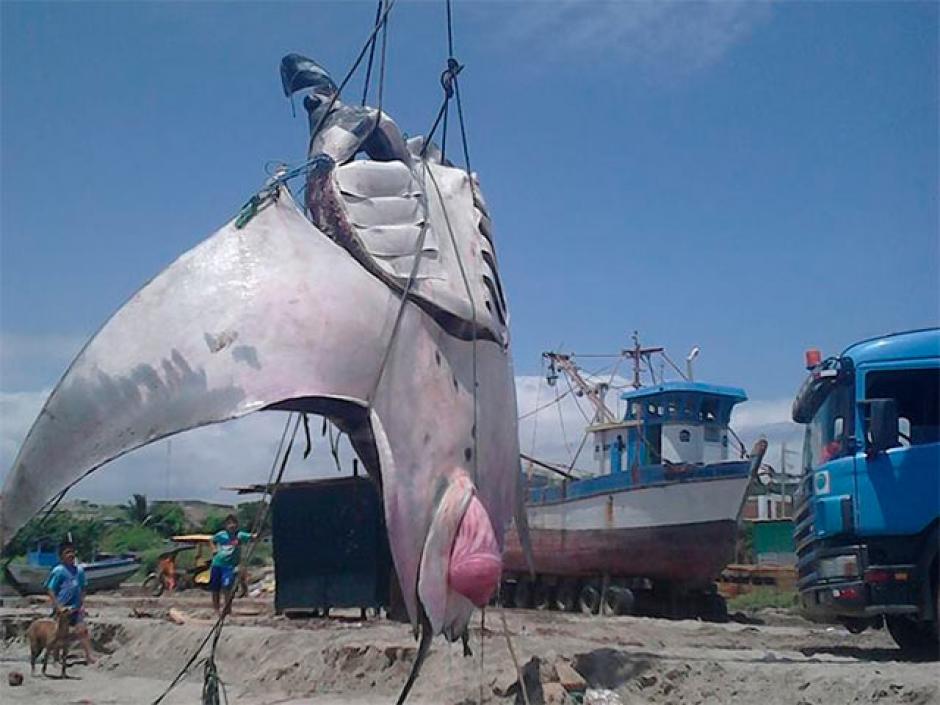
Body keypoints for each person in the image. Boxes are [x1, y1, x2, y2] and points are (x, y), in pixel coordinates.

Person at [45, 540, 96, 665]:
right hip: (62, 608)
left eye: (72, 552)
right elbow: (50, 589)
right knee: (59, 634)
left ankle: (90, 656)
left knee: (82, 630)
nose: (71, 555)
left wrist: (81, 603)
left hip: (75, 607)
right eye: (67, 553)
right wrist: (57, 606)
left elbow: (83, 588)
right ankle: (56, 658)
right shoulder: (58, 571)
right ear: (61, 556)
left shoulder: (80, 571)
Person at [209, 514, 252, 614]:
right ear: (225, 525)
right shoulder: (221, 535)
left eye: (234, 523)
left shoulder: (240, 535)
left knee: (227, 586)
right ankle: (216, 609)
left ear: (237, 525)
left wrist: (259, 533)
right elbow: (211, 540)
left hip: (229, 566)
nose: (232, 525)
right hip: (217, 564)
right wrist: (214, 549)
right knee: (215, 588)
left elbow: (253, 537)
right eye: (229, 523)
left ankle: (227, 609)